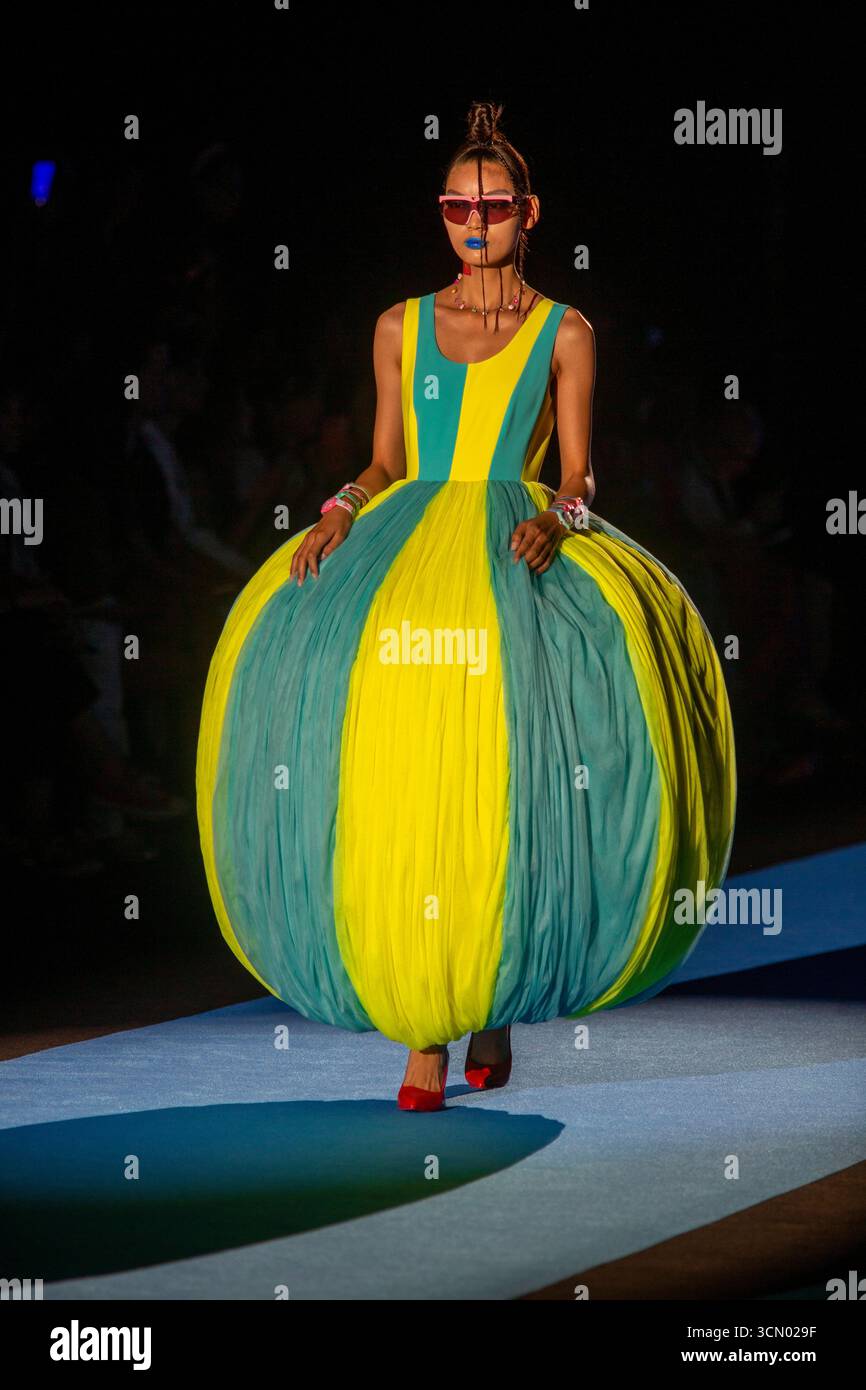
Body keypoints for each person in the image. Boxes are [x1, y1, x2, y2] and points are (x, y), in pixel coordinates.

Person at [196, 102, 736, 1112]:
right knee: (409, 769)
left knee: (507, 774)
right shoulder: (399, 325)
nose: (472, 220)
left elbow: (580, 476)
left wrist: (563, 523)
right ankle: (425, 1031)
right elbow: (387, 455)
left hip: (514, 557)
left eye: (491, 204)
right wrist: (340, 509)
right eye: (455, 204)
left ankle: (481, 996)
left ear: (527, 211)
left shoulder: (562, 332)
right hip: (409, 550)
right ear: (438, 214)